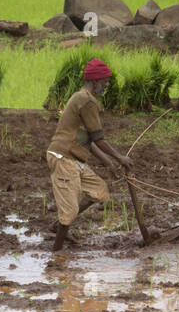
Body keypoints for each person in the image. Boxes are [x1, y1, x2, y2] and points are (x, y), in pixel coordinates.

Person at [45, 57, 134, 251]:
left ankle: (58, 227)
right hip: (63, 158)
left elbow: (90, 140)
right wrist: (120, 158)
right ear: (95, 81)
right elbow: (99, 139)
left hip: (73, 157)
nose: (107, 85)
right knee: (70, 210)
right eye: (104, 81)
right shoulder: (87, 101)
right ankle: (57, 253)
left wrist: (108, 163)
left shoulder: (81, 98)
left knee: (99, 190)